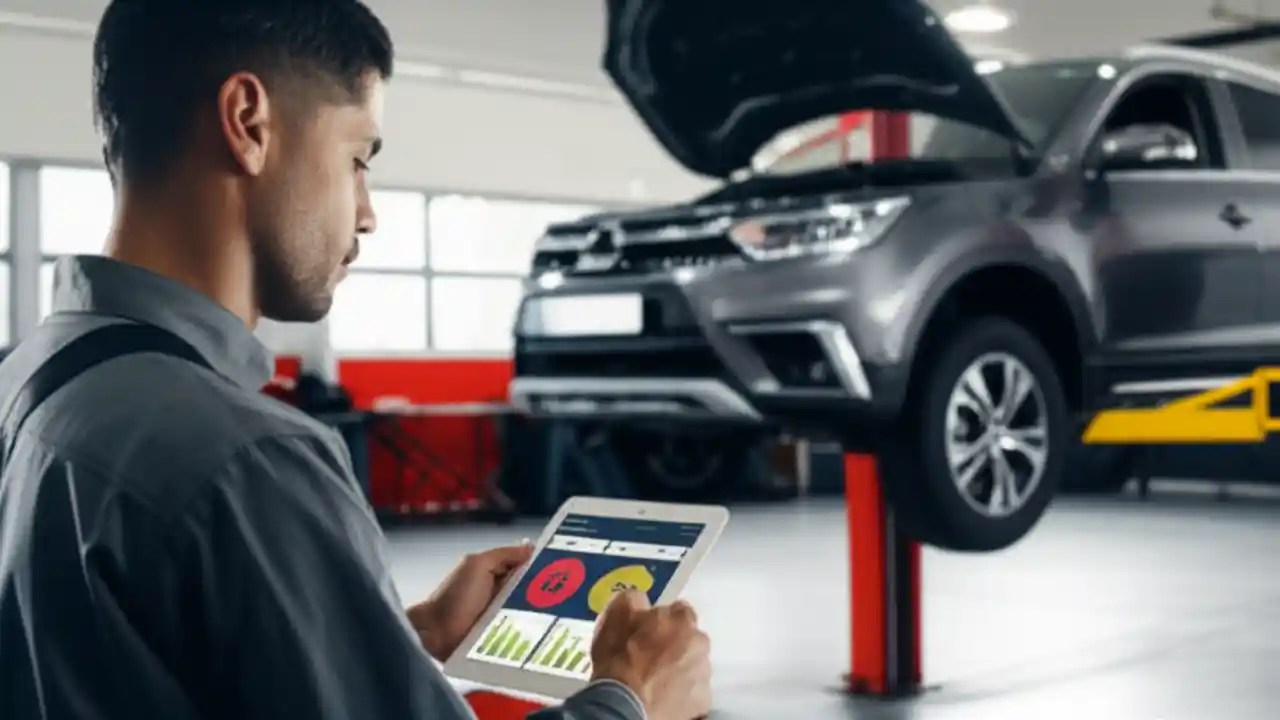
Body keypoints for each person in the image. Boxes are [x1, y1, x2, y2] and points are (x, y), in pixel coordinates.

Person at [0, 1, 712, 719]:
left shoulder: (32, 381)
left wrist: (394, 636)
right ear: (249, 122)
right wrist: (630, 695)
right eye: (357, 160)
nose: (367, 212)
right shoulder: (245, 459)